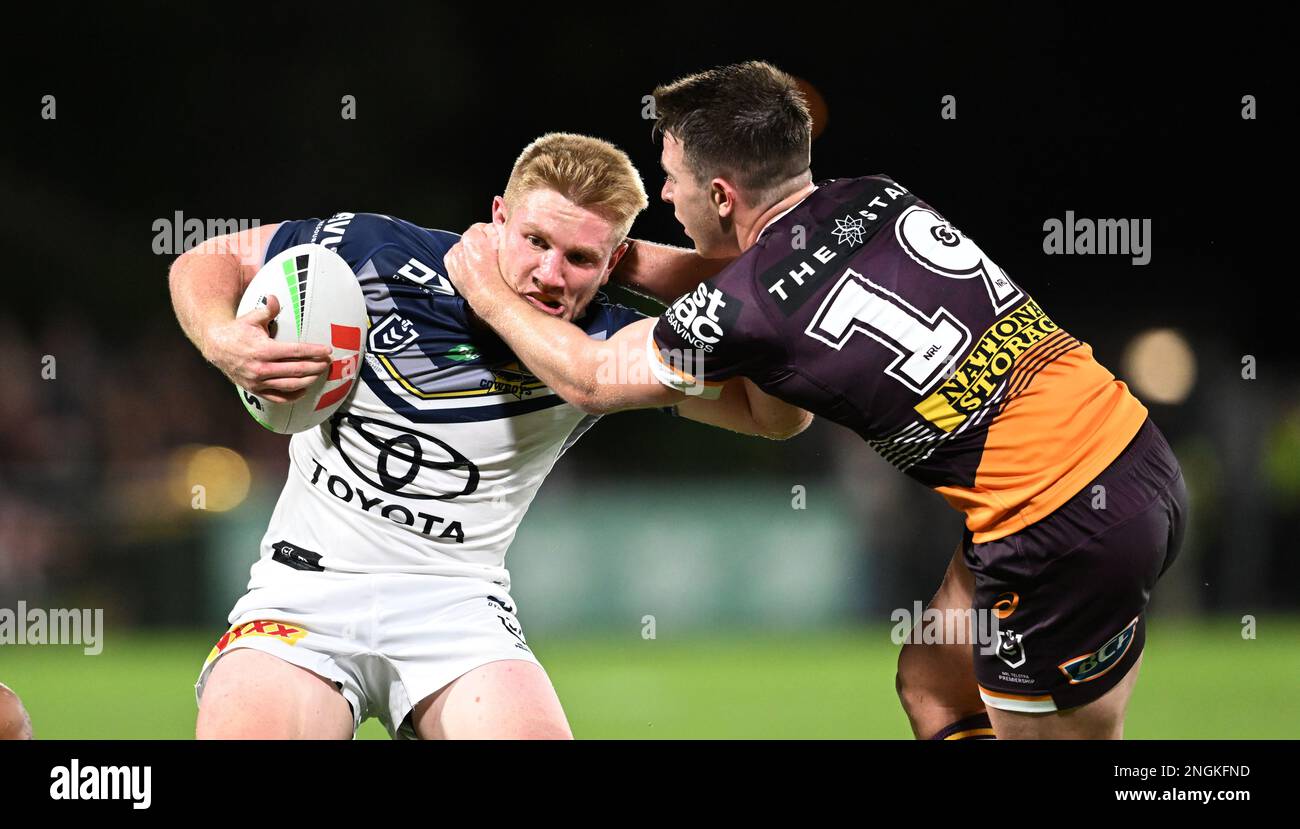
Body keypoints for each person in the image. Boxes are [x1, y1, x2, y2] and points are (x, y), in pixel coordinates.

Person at [444, 63, 1188, 739]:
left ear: (721, 194)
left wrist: (485, 286)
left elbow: (592, 377)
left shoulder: (752, 304)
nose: (664, 194)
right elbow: (763, 288)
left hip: (1055, 524)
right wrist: (617, 260)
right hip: (1132, 452)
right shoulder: (875, 196)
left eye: (672, 178)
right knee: (933, 688)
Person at [168, 132, 810, 739]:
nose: (550, 274)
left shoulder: (604, 345)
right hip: (303, 592)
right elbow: (209, 258)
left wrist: (688, 279)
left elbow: (773, 416)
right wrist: (223, 338)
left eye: (581, 257)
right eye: (535, 240)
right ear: (499, 217)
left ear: (614, 262)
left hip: (456, 608)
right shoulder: (373, 250)